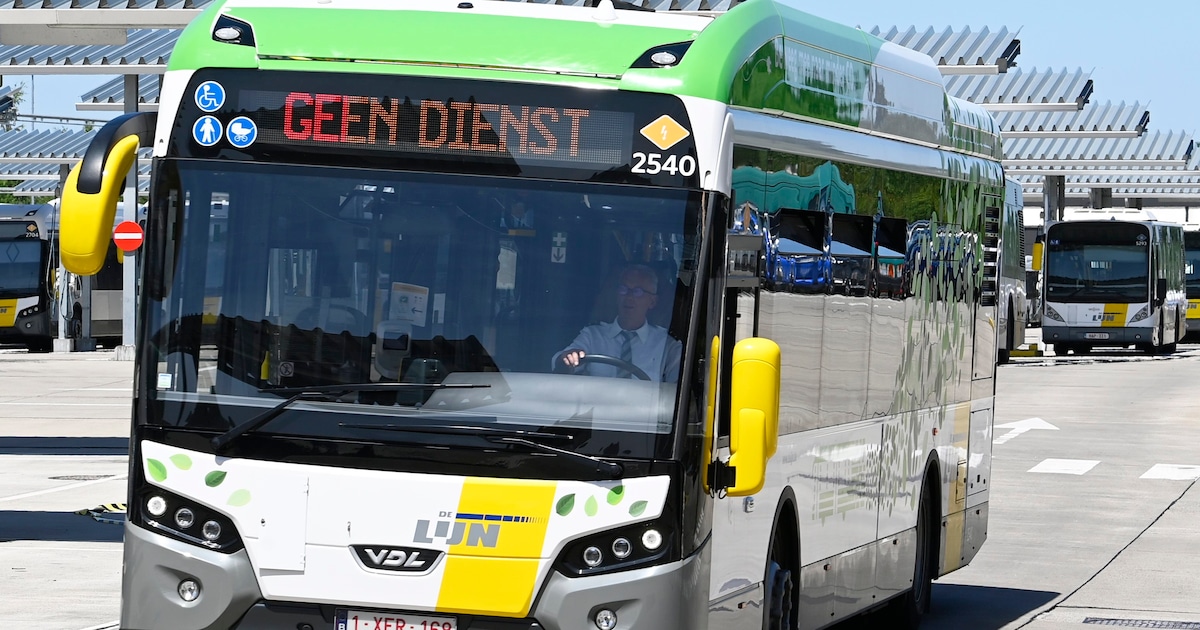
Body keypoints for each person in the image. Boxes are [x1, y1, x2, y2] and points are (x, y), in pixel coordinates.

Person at [554, 264, 681, 382]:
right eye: (623, 289)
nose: (629, 297)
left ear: (652, 301)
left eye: (638, 291)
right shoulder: (592, 336)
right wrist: (567, 358)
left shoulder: (667, 345)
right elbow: (563, 360)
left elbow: (676, 389)